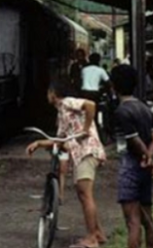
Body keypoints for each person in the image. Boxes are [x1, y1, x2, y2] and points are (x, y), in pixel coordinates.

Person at [27, 83, 107, 248]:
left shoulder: (67, 102)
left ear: (53, 93)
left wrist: (85, 129)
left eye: (48, 92)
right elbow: (59, 140)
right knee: (82, 193)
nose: (47, 96)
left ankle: (91, 239)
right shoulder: (61, 113)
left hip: (87, 150)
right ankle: (98, 233)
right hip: (80, 154)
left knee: (85, 193)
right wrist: (39, 143)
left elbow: (91, 105)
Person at [112, 65, 153, 248]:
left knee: (132, 223)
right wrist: (150, 157)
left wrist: (145, 155)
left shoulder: (121, 111)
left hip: (130, 166)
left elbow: (134, 140)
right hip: (144, 169)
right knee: (148, 220)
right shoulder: (145, 108)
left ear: (113, 86)